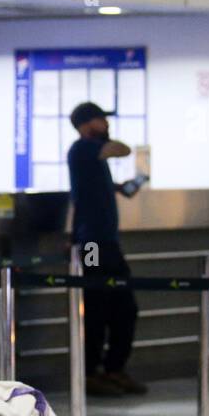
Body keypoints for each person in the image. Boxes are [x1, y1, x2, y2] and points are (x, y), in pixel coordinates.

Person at [66, 101, 146, 397]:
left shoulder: (94, 159)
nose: (106, 125)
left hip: (107, 242)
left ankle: (115, 368)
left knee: (124, 307)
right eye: (101, 120)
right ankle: (90, 373)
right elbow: (121, 149)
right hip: (91, 244)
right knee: (96, 307)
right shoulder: (82, 149)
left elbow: (107, 191)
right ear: (87, 124)